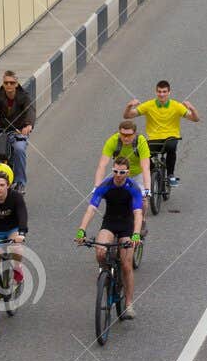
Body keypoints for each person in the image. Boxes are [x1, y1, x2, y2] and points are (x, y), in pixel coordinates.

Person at [75, 157, 144, 315]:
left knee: (126, 265)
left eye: (122, 172)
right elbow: (91, 208)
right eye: (115, 171)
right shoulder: (105, 185)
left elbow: (138, 213)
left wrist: (135, 234)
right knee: (100, 250)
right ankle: (106, 276)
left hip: (127, 226)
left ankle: (128, 303)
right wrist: (81, 229)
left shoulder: (133, 188)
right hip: (110, 223)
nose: (118, 175)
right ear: (112, 170)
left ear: (127, 173)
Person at [123, 81, 199, 187]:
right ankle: (154, 170)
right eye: (159, 91)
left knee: (171, 146)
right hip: (154, 139)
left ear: (169, 92)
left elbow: (195, 119)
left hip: (171, 137)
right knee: (140, 151)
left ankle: (170, 175)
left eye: (164, 92)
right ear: (156, 92)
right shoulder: (149, 105)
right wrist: (129, 106)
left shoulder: (176, 106)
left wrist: (192, 109)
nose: (162, 94)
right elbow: (127, 116)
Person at [95, 119, 151, 195]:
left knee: (143, 200)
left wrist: (147, 189)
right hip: (120, 174)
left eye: (129, 135)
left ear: (134, 134)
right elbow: (102, 165)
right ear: (119, 133)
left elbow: (145, 167)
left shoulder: (141, 141)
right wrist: (97, 186)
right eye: (123, 134)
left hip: (138, 174)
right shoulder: (113, 140)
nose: (126, 138)